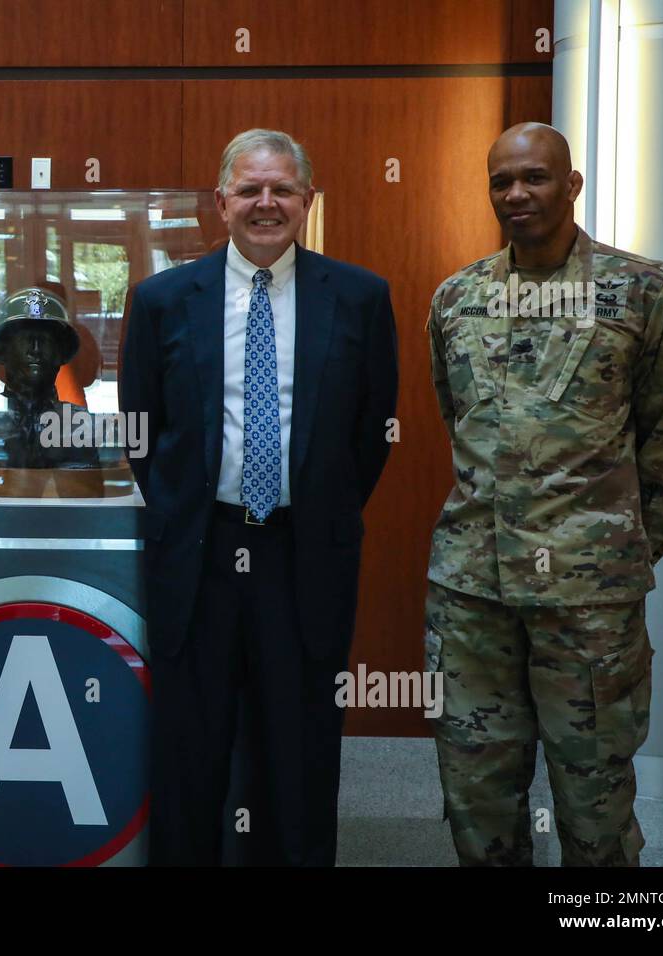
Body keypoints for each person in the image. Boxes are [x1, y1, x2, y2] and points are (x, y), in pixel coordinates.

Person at [425, 123, 663, 866]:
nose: (516, 193)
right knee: (476, 795)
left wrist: (610, 551)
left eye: (536, 177)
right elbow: (457, 420)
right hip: (471, 596)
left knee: (594, 803)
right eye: (501, 181)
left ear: (572, 184)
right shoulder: (456, 297)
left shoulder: (646, 290)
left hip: (588, 607)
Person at [120, 128, 398, 865]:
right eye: (250, 189)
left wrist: (315, 505)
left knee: (301, 750)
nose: (265, 203)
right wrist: (186, 507)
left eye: (281, 189)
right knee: (190, 754)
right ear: (221, 203)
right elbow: (143, 433)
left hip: (303, 555)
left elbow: (372, 435)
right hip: (200, 555)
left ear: (306, 199)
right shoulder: (161, 300)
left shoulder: (363, 299)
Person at [0, 287, 101, 470]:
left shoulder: (76, 423)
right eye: (25, 339)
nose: (35, 350)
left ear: (61, 354)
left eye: (45, 340)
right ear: (3, 351)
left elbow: (83, 492)